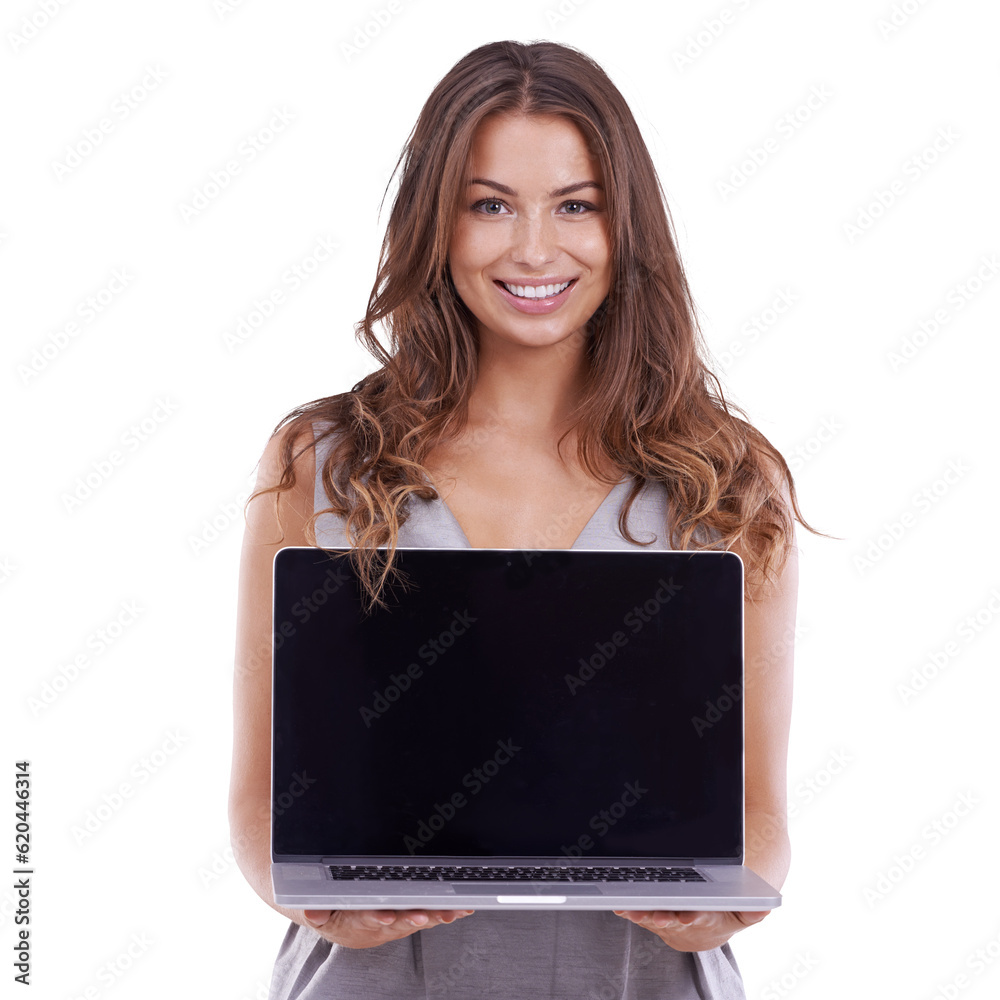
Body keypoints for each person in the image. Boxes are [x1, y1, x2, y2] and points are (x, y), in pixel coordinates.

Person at [230, 38, 822, 1000]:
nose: (535, 249)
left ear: (625, 225)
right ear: (438, 223)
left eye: (576, 205)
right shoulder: (323, 460)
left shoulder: (729, 479)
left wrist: (736, 895)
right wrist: (302, 894)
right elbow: (261, 798)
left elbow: (760, 819)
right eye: (490, 204)